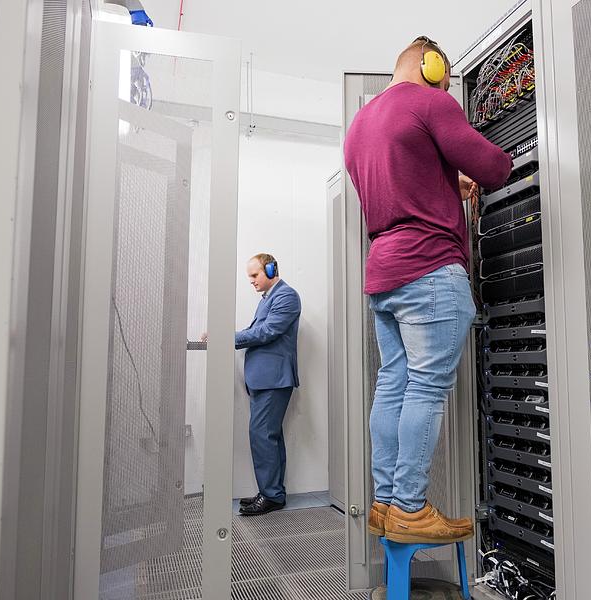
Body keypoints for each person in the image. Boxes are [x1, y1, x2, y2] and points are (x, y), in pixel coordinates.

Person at [343, 36, 512, 543]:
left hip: (385, 273)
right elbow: (494, 167)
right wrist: (477, 173)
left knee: (393, 382)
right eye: (445, 70)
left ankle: (385, 501)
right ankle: (412, 508)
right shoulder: (431, 102)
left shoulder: (360, 126)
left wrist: (446, 182)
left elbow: (402, 181)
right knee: (427, 388)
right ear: (432, 64)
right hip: (430, 269)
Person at [204, 253, 301, 515]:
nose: (252, 281)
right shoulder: (268, 299)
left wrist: (226, 336)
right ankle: (272, 494)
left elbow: (266, 332)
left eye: (255, 275)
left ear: (271, 269)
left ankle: (271, 495)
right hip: (264, 379)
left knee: (261, 435)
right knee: (269, 436)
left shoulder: (286, 296)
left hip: (274, 379)